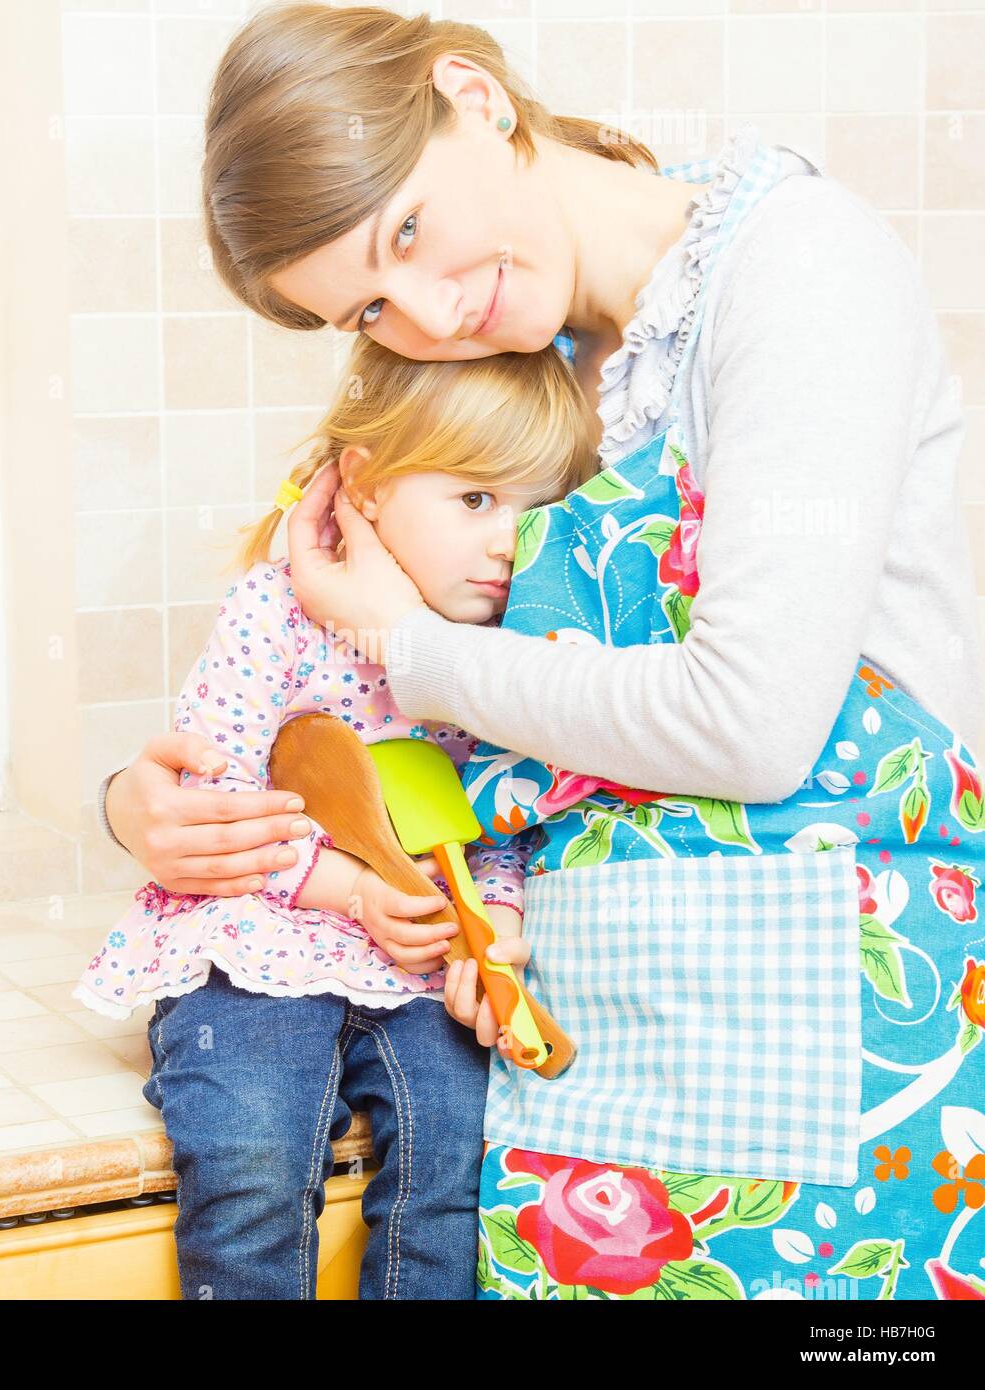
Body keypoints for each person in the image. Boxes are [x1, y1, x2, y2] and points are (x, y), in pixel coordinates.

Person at [99, 3, 985, 1299]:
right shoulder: (531, 376)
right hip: (593, 1077)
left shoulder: (797, 268)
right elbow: (367, 715)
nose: (429, 313)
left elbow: (752, 721)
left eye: (404, 233)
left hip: (839, 1052)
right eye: (369, 309)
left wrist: (405, 645)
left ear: (474, 94)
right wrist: (143, 805)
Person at [75, 332, 597, 1299]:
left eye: (536, 508)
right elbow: (219, 804)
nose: (505, 540)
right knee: (250, 1161)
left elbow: (512, 825)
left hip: (420, 965)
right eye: (476, 498)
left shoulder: (515, 651)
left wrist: (497, 920)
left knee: (455, 1161)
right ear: (363, 486)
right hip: (258, 943)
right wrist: (351, 889)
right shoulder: (275, 612)